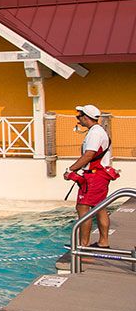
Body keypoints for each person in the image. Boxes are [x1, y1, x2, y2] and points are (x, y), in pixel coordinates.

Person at [67, 104, 116, 249]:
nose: (78, 119)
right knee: (100, 208)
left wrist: (70, 169)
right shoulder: (99, 131)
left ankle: (83, 245)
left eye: (79, 116)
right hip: (101, 175)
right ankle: (103, 242)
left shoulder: (95, 133)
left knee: (83, 208)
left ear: (86, 117)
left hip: (94, 176)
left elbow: (89, 154)